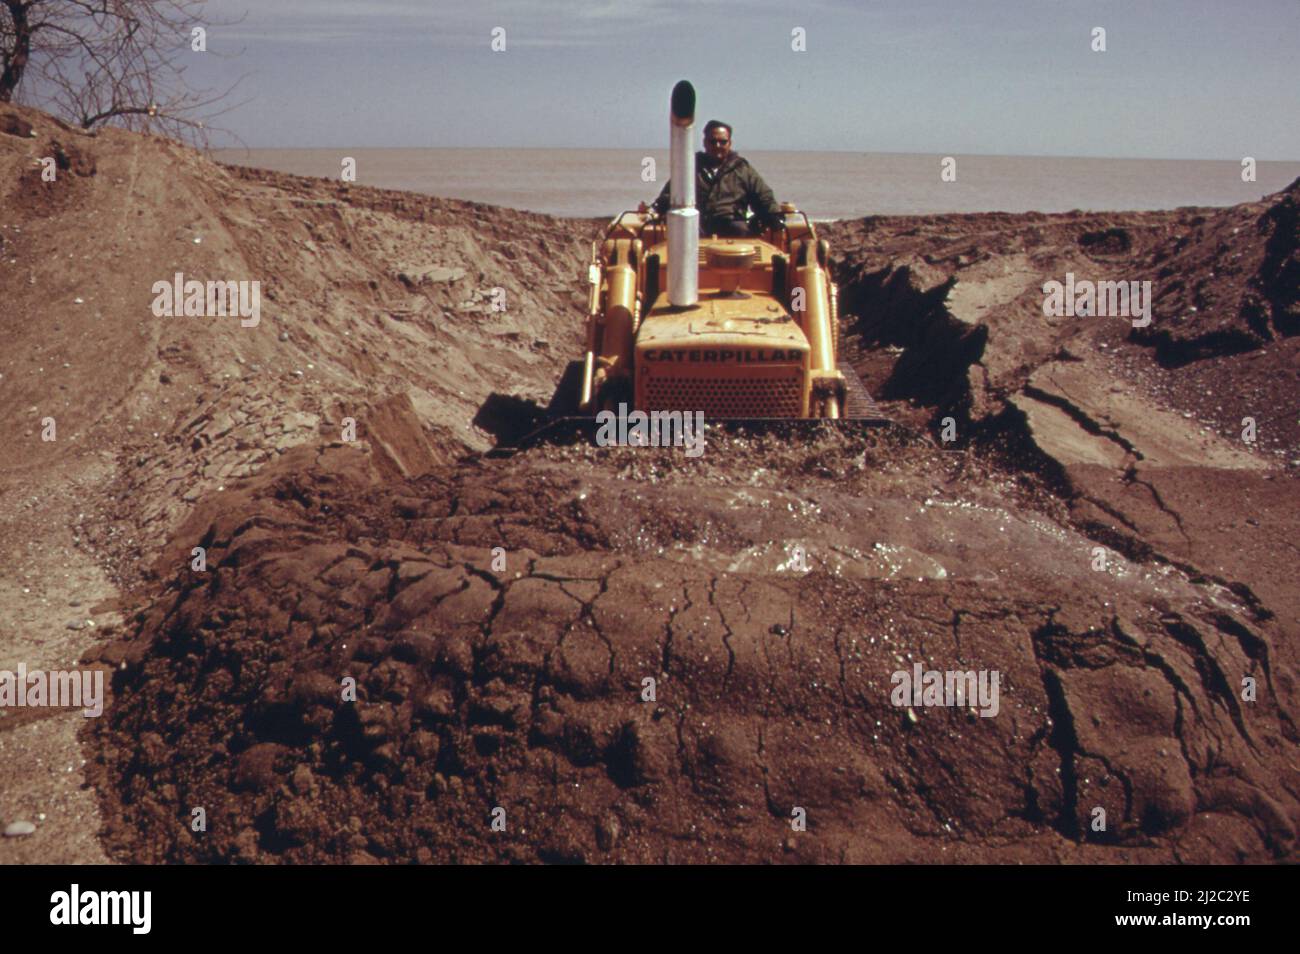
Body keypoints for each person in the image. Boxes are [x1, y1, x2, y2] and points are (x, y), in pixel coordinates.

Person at [641, 120, 784, 236]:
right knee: (683, 231)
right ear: (704, 143)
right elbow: (669, 195)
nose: (718, 146)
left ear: (730, 143)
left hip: (733, 230)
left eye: (723, 142)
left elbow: (764, 196)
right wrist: (655, 210)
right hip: (697, 228)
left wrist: (774, 215)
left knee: (742, 230)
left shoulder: (743, 169)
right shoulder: (690, 168)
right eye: (712, 141)